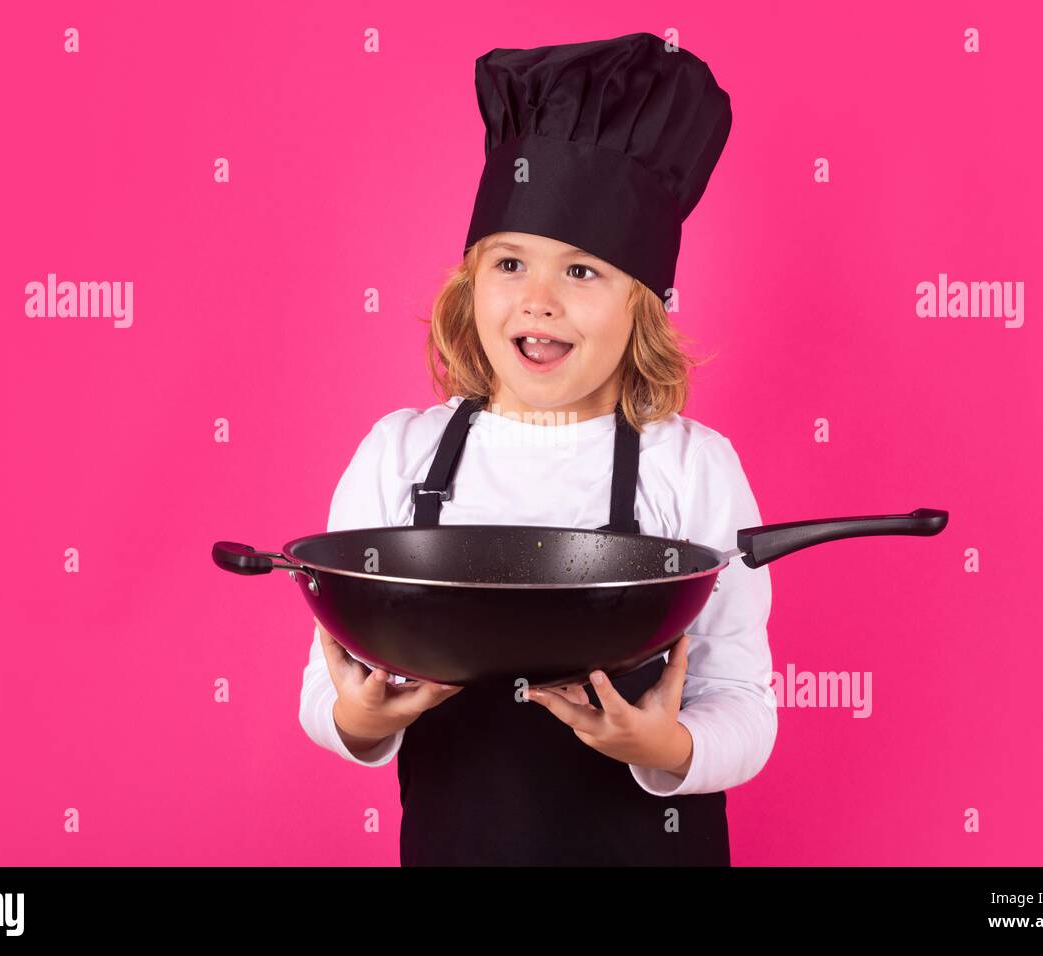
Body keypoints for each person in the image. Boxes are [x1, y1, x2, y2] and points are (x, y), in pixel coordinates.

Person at [298, 32, 775, 866]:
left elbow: (745, 706)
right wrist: (364, 721)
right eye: (511, 263)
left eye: (584, 272)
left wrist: (661, 749)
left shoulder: (691, 466)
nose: (540, 301)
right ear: (471, 284)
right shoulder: (399, 455)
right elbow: (322, 694)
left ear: (644, 307)